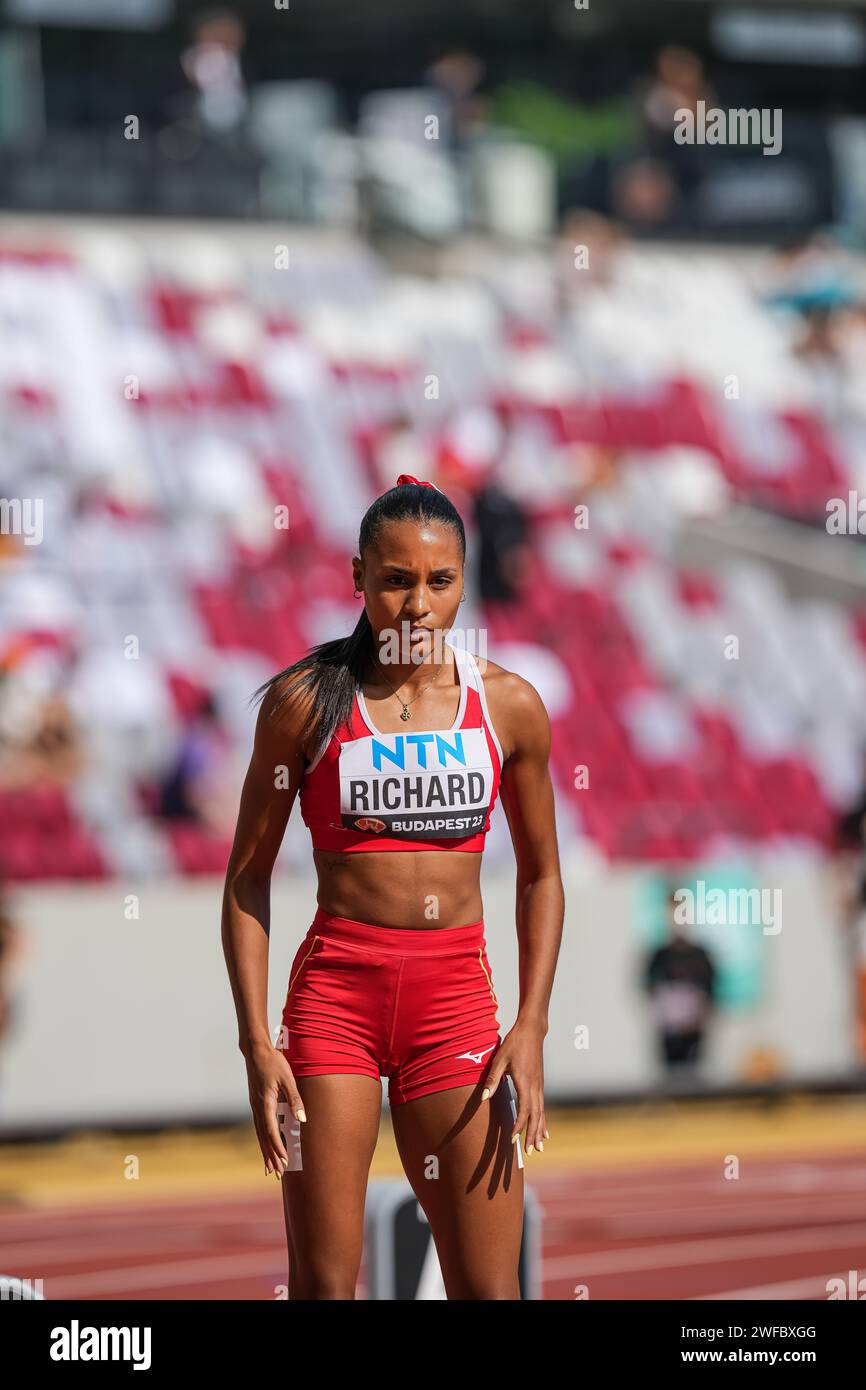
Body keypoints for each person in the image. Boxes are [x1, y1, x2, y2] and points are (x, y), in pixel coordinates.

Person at [222, 473, 564, 1300]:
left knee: (491, 1289)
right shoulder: (304, 705)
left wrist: (531, 1025)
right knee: (326, 1286)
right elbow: (247, 880)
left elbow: (543, 873)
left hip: (455, 1006)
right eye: (395, 581)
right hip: (334, 1000)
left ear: (464, 580)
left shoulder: (509, 706)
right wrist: (256, 1042)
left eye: (439, 581)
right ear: (358, 578)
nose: (417, 605)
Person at [643, 892, 717, 1084]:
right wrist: (665, 1007)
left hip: (694, 1030)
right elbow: (647, 985)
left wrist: (699, 1010)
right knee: (670, 1077)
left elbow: (711, 986)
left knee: (694, 1075)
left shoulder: (700, 954)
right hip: (668, 1031)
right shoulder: (660, 955)